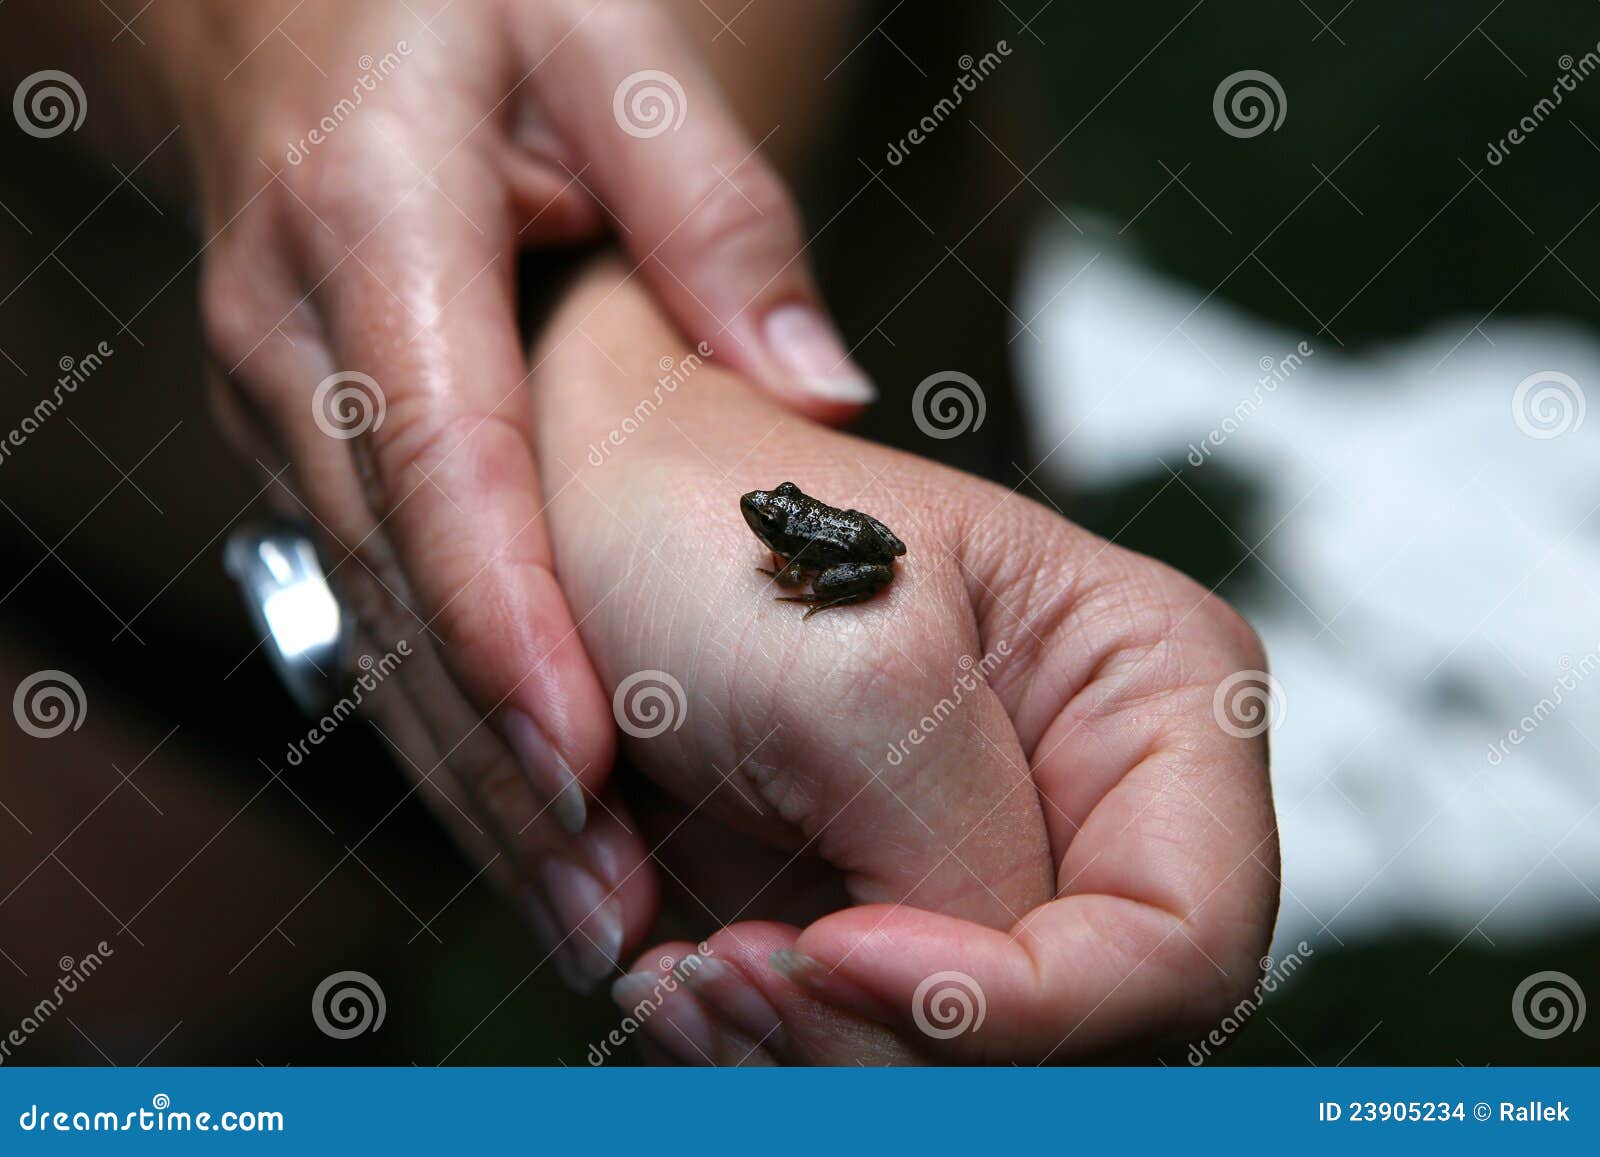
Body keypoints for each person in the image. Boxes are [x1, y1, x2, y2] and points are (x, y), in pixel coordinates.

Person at [0, 0, 1277, 1063]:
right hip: (142, 627)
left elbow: (859, 551)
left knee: (761, 1006)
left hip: (871, 394)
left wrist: (612, 401)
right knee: (184, 1042)